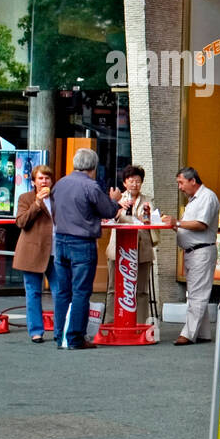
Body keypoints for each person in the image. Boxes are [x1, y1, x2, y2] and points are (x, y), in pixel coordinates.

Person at [50, 148, 129, 350]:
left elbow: (54, 209)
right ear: (94, 167)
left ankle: (60, 335)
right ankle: (75, 337)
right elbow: (108, 210)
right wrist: (115, 199)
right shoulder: (91, 186)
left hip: (60, 239)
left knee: (62, 291)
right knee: (80, 292)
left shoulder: (60, 183)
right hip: (82, 242)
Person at [168, 167, 220, 346]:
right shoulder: (193, 199)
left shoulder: (207, 197)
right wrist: (175, 225)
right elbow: (190, 226)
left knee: (197, 294)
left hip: (202, 251)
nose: (180, 187)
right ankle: (203, 333)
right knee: (197, 293)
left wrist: (177, 222)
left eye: (181, 183)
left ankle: (188, 334)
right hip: (193, 251)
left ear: (193, 181)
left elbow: (201, 224)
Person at [104, 165, 158, 324]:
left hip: (142, 248)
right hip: (118, 249)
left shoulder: (148, 200)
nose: (135, 184)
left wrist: (147, 218)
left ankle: (140, 323)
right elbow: (108, 218)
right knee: (113, 289)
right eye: (131, 181)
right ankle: (110, 322)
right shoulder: (117, 199)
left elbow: (152, 221)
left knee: (141, 290)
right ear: (124, 182)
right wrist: (119, 207)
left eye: (138, 181)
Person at [12, 164, 56, 343]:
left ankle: (60, 329)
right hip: (32, 251)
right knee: (33, 293)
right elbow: (21, 222)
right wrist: (37, 202)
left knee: (60, 291)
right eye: (40, 178)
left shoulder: (58, 198)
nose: (44, 181)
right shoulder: (26, 198)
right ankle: (36, 331)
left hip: (55, 250)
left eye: (47, 178)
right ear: (33, 182)